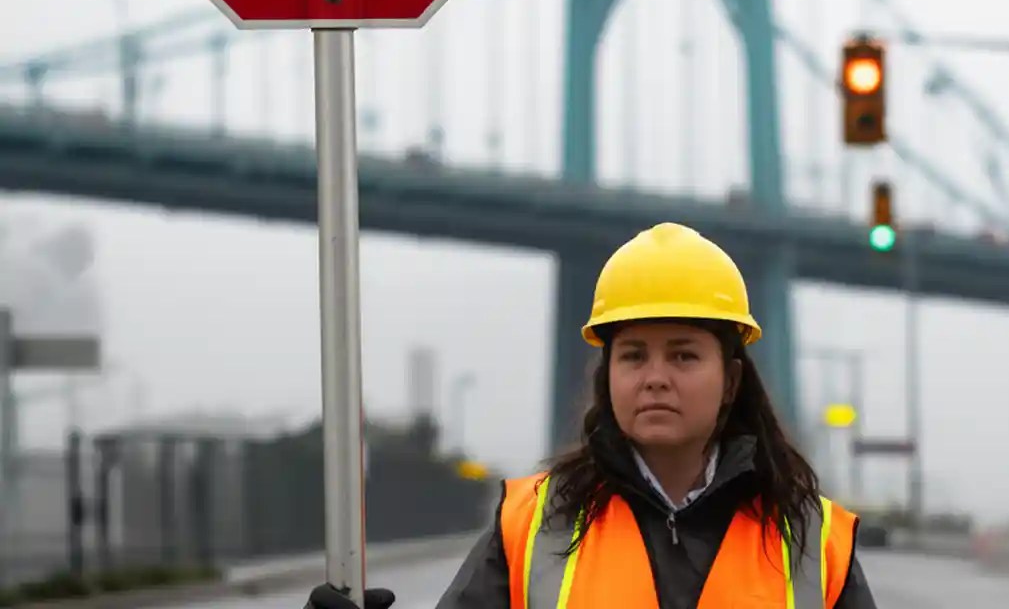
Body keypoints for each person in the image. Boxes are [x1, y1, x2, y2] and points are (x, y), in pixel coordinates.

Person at [306, 222, 877, 608]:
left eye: (683, 354)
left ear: (729, 381)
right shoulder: (531, 527)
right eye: (633, 355)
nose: (655, 376)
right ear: (608, 376)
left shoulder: (812, 542)